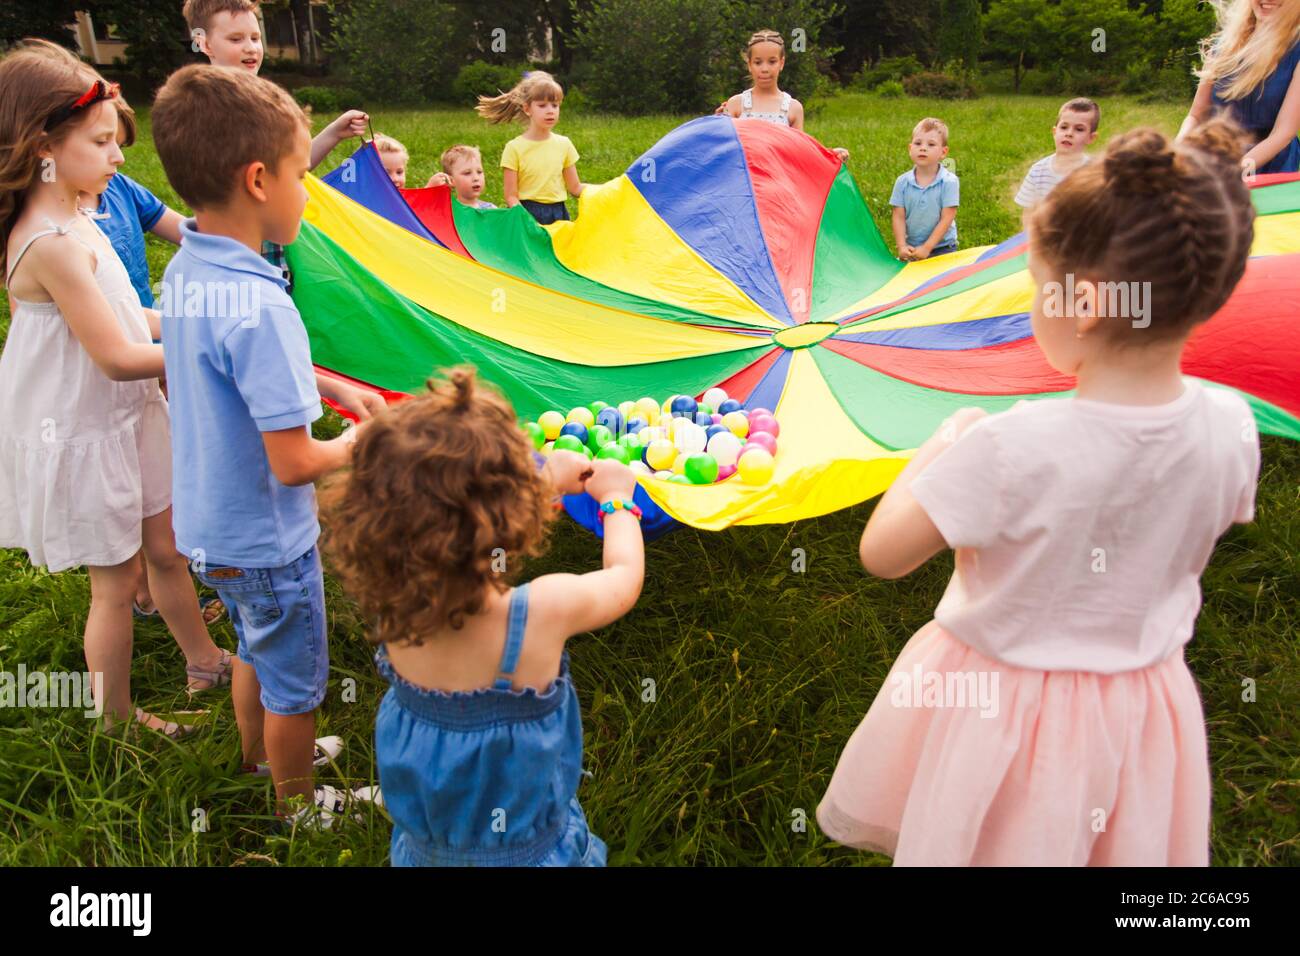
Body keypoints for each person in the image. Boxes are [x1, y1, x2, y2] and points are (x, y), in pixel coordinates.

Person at [818, 118, 1261, 866]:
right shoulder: (1231, 425)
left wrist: (941, 448)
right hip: (1141, 711)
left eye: (1037, 288)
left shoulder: (1006, 445)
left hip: (1000, 718)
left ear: (1083, 305)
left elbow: (882, 554)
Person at [151, 64, 386, 824]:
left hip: (208, 528)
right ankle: (296, 806)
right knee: (294, 679)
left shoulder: (189, 268)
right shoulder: (261, 301)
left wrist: (326, 387)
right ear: (259, 180)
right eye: (299, 173)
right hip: (268, 539)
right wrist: (362, 441)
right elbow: (294, 463)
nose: (306, 190)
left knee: (253, 645)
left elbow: (234, 376)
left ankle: (257, 757)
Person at [320, 369, 646, 865]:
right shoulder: (542, 611)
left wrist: (539, 482)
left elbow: (443, 512)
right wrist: (618, 501)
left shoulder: (393, 609)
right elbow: (624, 578)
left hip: (429, 849)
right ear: (516, 518)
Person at [0, 48, 220, 734]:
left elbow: (133, 318)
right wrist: (206, 349)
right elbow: (120, 356)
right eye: (100, 143)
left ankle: (205, 661)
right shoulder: (50, 245)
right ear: (43, 148)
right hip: (88, 428)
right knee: (117, 586)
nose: (117, 158)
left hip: (131, 419)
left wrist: (203, 317)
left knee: (168, 551)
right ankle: (117, 719)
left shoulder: (83, 220)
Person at [1180, 0, 1300, 175]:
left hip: (1268, 169)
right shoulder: (1223, 45)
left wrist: (1237, 170)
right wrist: (1176, 154)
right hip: (1213, 159)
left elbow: (1283, 134)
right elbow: (1196, 116)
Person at [714, 29, 850, 161]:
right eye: (758, 62)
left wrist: (829, 155)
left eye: (772, 61)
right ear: (749, 64)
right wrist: (716, 125)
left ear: (781, 63)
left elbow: (802, 151)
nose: (765, 69)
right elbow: (723, 149)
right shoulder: (736, 104)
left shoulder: (793, 107)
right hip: (746, 180)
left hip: (779, 180)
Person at [477, 71, 584, 224]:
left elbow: (575, 188)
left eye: (555, 105)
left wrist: (608, 189)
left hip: (559, 215)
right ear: (527, 109)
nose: (550, 110)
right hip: (526, 214)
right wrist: (526, 220)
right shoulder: (514, 148)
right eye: (542, 105)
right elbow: (511, 196)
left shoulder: (564, 144)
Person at [1014, 97, 1100, 219]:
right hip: (1046, 234)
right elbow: (1028, 213)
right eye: (1064, 127)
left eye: (1079, 129)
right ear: (1055, 132)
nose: (1069, 133)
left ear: (1091, 138)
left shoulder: (1096, 171)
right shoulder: (1038, 171)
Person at [890, 117, 959, 260]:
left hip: (943, 248)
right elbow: (898, 216)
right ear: (910, 149)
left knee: (942, 282)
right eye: (918, 143)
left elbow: (947, 217)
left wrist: (927, 248)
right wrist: (902, 246)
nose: (923, 148)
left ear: (943, 152)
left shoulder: (949, 182)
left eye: (931, 144)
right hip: (912, 248)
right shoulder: (902, 182)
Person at [427, 145, 496, 208]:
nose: (476, 178)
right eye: (467, 173)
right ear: (451, 180)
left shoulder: (491, 210)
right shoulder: (448, 211)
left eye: (479, 172)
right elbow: (419, 212)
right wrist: (429, 189)